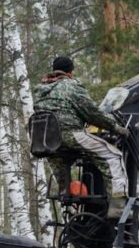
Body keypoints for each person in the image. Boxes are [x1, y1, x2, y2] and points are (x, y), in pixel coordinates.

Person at [34, 55, 131, 216]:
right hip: (70, 136)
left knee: (61, 167)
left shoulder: (40, 90)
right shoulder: (71, 87)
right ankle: (118, 209)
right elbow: (93, 113)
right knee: (112, 156)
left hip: (47, 142)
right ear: (70, 72)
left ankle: (69, 202)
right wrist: (116, 128)